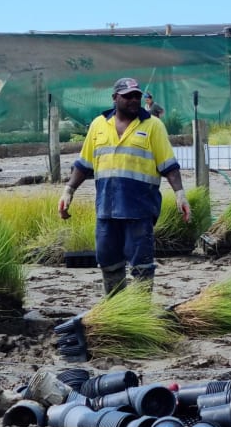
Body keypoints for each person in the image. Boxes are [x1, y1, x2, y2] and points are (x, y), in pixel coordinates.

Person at [58, 77, 190, 295]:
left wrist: (180, 194)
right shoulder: (98, 125)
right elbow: (84, 164)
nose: (134, 100)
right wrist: (68, 191)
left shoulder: (153, 126)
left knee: (141, 263)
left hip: (139, 209)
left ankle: (139, 312)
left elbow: (169, 166)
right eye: (128, 96)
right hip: (106, 210)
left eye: (137, 95)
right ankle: (116, 309)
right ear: (114, 98)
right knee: (107, 259)